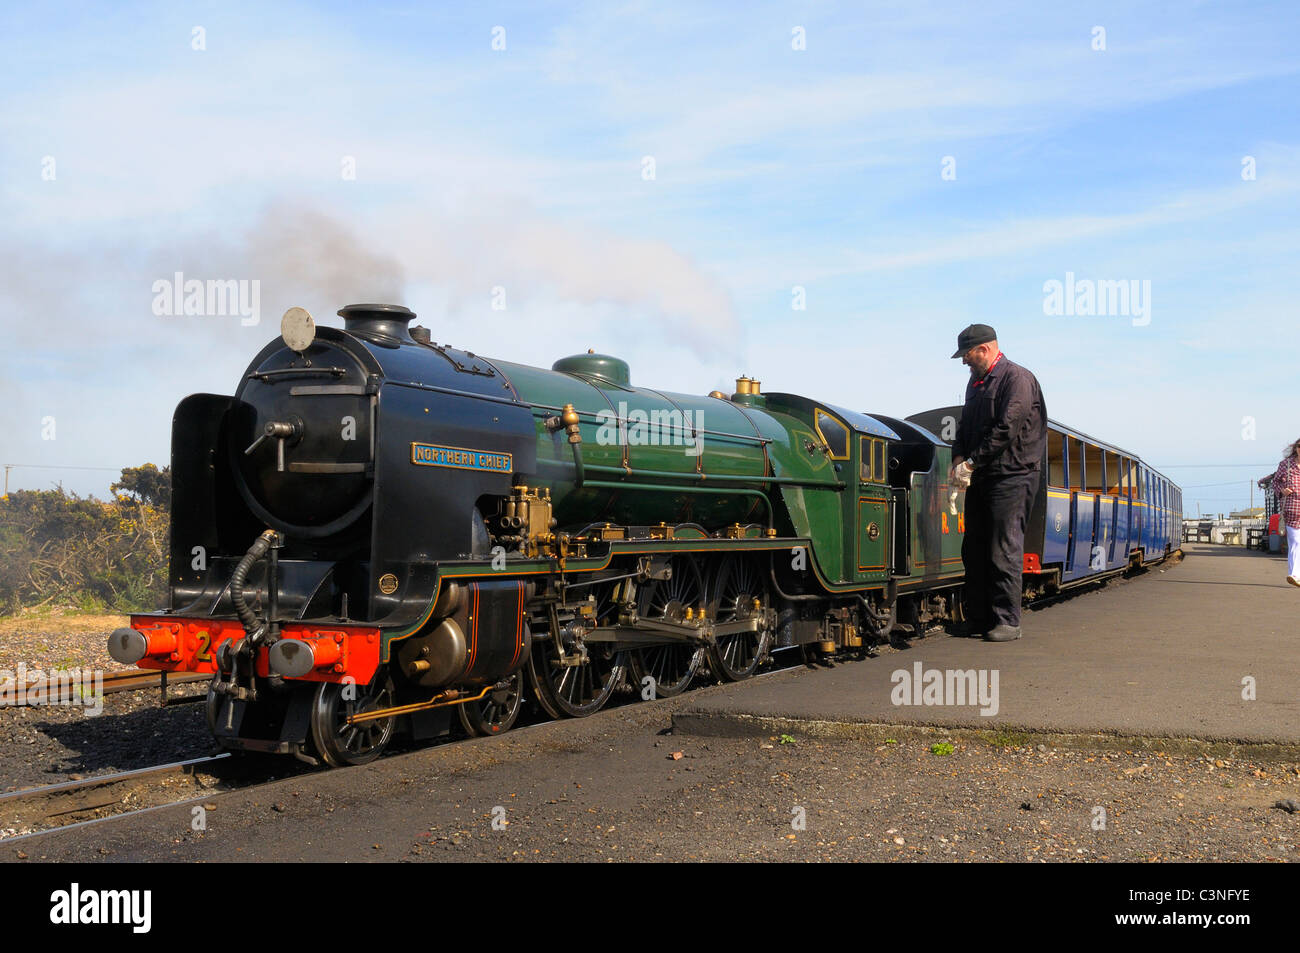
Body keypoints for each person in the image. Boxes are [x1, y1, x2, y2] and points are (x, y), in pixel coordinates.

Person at [946, 324, 1047, 642]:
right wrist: (958, 461)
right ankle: (978, 618)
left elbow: (1008, 427)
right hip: (982, 476)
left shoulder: (1017, 378)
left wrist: (972, 462)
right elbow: (964, 426)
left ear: (985, 349)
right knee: (973, 549)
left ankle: (1008, 621)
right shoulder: (974, 384)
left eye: (967, 354)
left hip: (1014, 476)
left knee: (1003, 548)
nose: (964, 361)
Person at [1270, 438, 1300, 587]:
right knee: (1295, 542)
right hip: (1292, 509)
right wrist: (1282, 490)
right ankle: (1294, 574)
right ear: (1296, 448)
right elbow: (1275, 482)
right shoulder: (1286, 465)